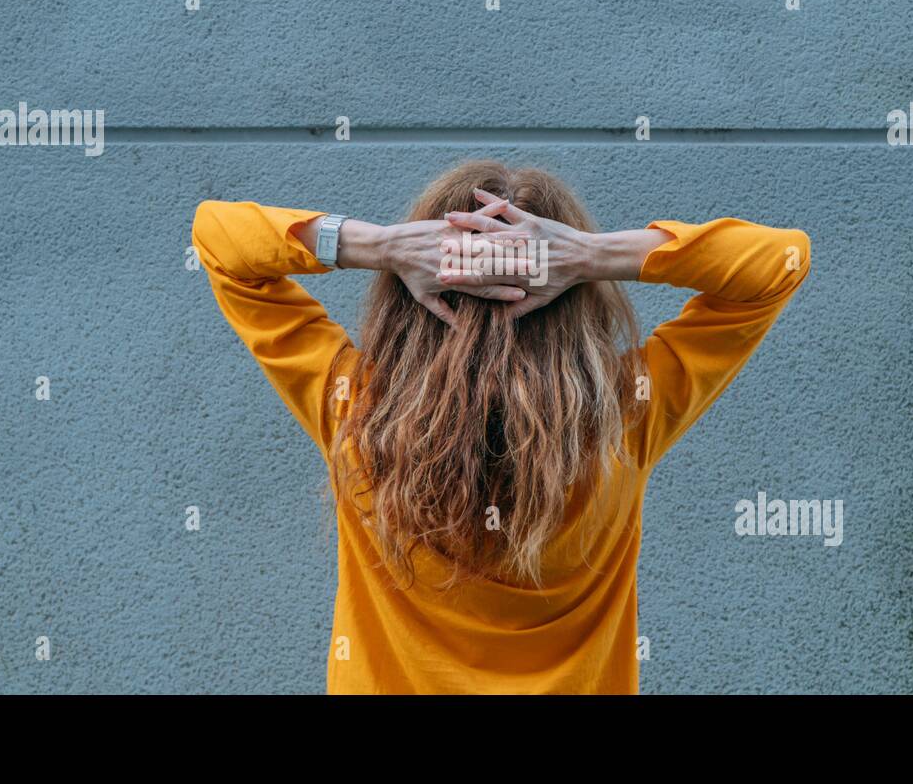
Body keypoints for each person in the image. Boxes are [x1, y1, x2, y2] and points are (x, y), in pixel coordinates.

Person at [191, 159, 810, 693]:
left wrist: (380, 246)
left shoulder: (355, 407)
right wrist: (591, 256)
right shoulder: (627, 416)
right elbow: (778, 262)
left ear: (414, 294)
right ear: (574, 299)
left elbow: (219, 237)